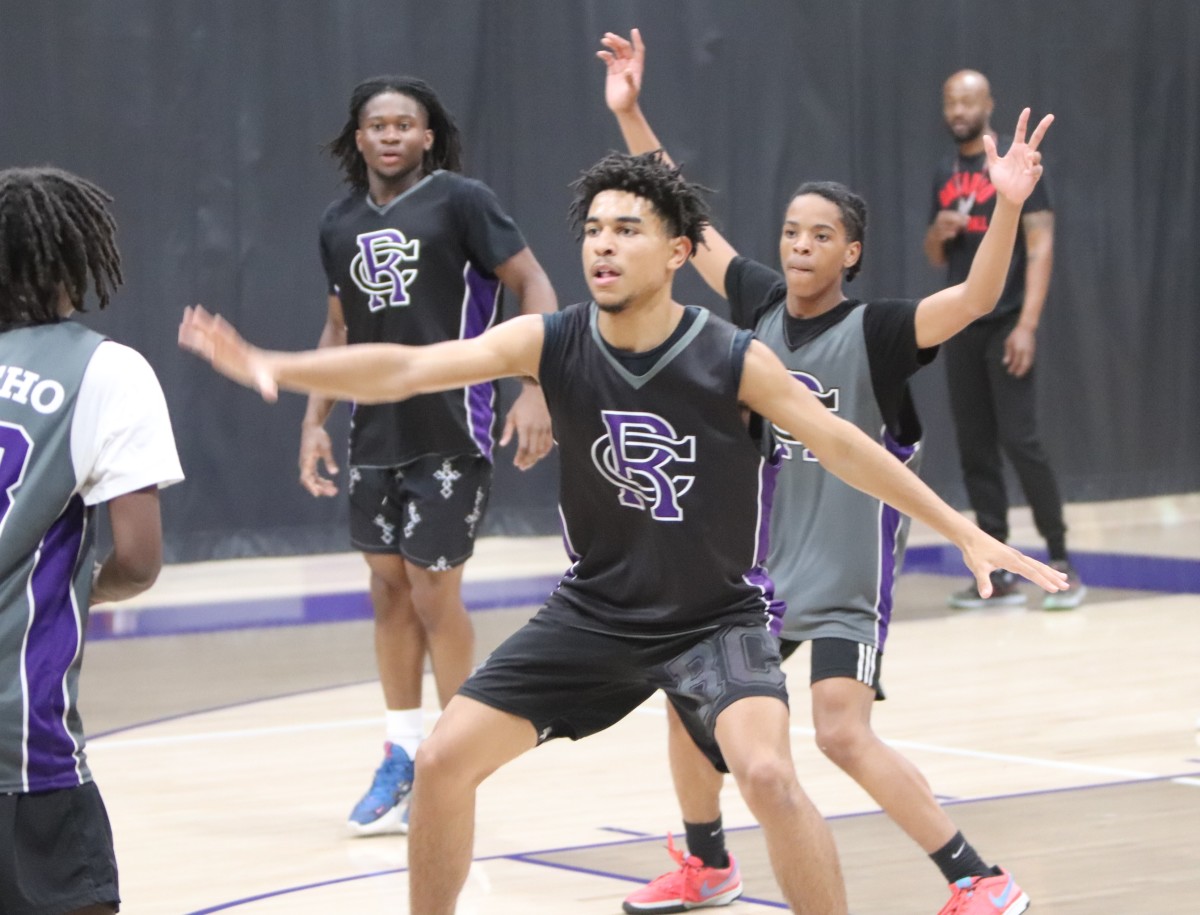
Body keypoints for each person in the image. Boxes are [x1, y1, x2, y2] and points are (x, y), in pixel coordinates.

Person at [179, 150, 1067, 915]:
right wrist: (276, 364)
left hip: (715, 618)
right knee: (444, 758)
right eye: (595, 229)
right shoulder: (552, 339)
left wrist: (963, 531)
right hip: (595, 612)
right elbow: (410, 365)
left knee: (767, 773)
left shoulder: (732, 356)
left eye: (628, 229)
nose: (603, 244)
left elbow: (843, 444)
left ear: (677, 252)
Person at [600, 29, 1046, 915]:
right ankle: (707, 862)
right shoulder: (759, 303)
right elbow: (684, 215)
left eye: (822, 235)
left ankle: (979, 878)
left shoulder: (880, 332)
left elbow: (974, 299)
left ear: (851, 253)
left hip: (846, 577)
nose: (800, 246)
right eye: (791, 232)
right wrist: (630, 111)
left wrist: (1004, 208)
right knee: (689, 697)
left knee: (842, 732)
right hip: (759, 576)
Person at [307, 76, 557, 835]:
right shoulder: (339, 222)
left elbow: (534, 284)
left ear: (427, 136)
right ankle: (401, 751)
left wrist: (533, 387)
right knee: (388, 591)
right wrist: (314, 420)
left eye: (404, 124)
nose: (390, 135)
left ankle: (454, 757)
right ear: (359, 138)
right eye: (377, 124)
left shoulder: (462, 201)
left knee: (432, 591)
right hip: (373, 432)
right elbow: (338, 329)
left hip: (453, 425)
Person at [0, 167, 183, 914]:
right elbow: (137, 560)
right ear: (74, 259)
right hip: (21, 746)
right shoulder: (105, 370)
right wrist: (83, 586)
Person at [925, 69, 1084, 611]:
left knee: (1021, 441)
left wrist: (1027, 325)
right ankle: (995, 570)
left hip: (1006, 321)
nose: (958, 110)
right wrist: (938, 232)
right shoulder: (945, 171)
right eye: (951, 101)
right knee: (975, 447)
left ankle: (1061, 559)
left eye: (968, 101)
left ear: (988, 104)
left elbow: (1040, 246)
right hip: (961, 325)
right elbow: (936, 255)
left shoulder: (1015, 165)